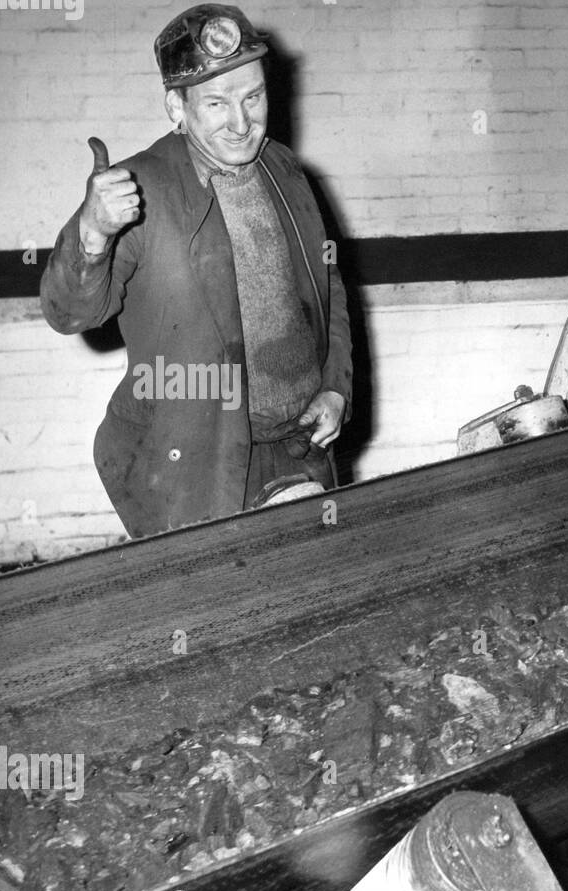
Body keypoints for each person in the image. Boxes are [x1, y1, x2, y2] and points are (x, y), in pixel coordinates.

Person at [41, 4, 352, 536]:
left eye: (252, 96)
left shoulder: (287, 171)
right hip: (197, 465)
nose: (241, 121)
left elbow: (330, 286)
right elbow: (69, 313)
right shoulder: (141, 189)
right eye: (216, 102)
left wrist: (335, 386)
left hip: (299, 445)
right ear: (176, 108)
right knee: (214, 610)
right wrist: (92, 232)